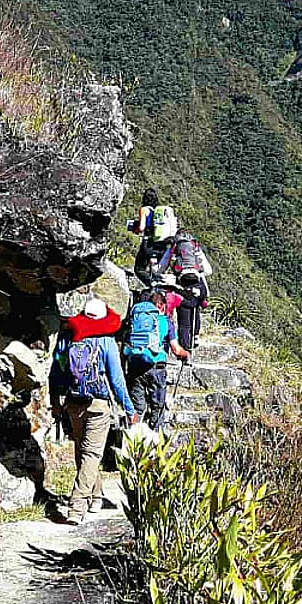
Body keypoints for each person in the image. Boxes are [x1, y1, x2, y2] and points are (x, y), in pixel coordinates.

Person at [50, 298, 138, 524]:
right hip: (98, 405)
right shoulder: (107, 342)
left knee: (84, 451)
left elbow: (56, 371)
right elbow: (117, 381)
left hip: (73, 402)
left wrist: (55, 402)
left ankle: (96, 497)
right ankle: (77, 508)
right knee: (91, 454)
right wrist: (129, 409)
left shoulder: (67, 338)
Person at [123, 290, 190, 431]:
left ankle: (133, 438)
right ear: (161, 305)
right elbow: (176, 350)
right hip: (156, 368)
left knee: (137, 407)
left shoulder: (136, 320)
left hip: (135, 366)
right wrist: (186, 354)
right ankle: (155, 440)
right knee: (157, 407)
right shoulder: (165, 322)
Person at [166, 232, 213, 351]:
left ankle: (184, 349)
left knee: (183, 320)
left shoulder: (174, 247)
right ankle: (196, 335)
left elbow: (163, 266)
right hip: (197, 283)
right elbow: (208, 270)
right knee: (196, 307)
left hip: (182, 283)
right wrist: (198, 272)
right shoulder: (195, 248)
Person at [131, 188, 177, 285]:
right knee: (156, 270)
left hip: (148, 244)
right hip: (161, 245)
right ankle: (159, 286)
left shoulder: (144, 209)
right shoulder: (158, 212)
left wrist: (135, 228)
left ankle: (153, 284)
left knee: (139, 269)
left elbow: (142, 227)